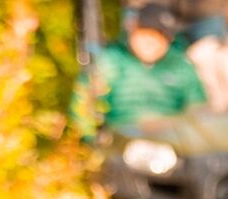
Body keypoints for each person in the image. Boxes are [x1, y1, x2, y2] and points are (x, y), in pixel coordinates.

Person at [70, 3, 206, 141]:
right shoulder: (111, 60)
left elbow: (199, 111)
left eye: (160, 36)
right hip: (121, 143)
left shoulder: (181, 64)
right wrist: (93, 139)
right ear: (133, 30)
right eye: (146, 33)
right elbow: (84, 104)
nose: (152, 42)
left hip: (171, 143)